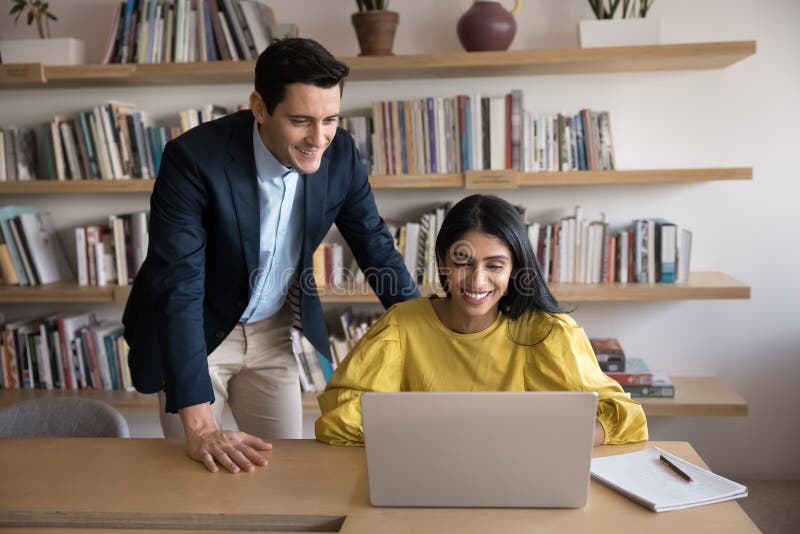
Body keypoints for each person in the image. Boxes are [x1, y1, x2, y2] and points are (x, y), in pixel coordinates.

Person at [123, 38, 418, 473]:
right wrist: (201, 428)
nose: (319, 138)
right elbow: (179, 285)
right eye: (301, 121)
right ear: (260, 107)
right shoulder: (192, 160)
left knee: (283, 471)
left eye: (330, 119)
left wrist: (428, 330)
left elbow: (375, 245)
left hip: (273, 332)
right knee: (199, 470)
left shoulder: (340, 155)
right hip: (199, 332)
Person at [316, 194, 648, 446]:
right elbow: (338, 420)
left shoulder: (547, 332)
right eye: (463, 262)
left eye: (494, 265)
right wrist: (424, 441)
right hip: (426, 486)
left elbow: (625, 417)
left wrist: (551, 443)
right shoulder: (401, 327)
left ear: (515, 268)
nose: (477, 281)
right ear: (443, 262)